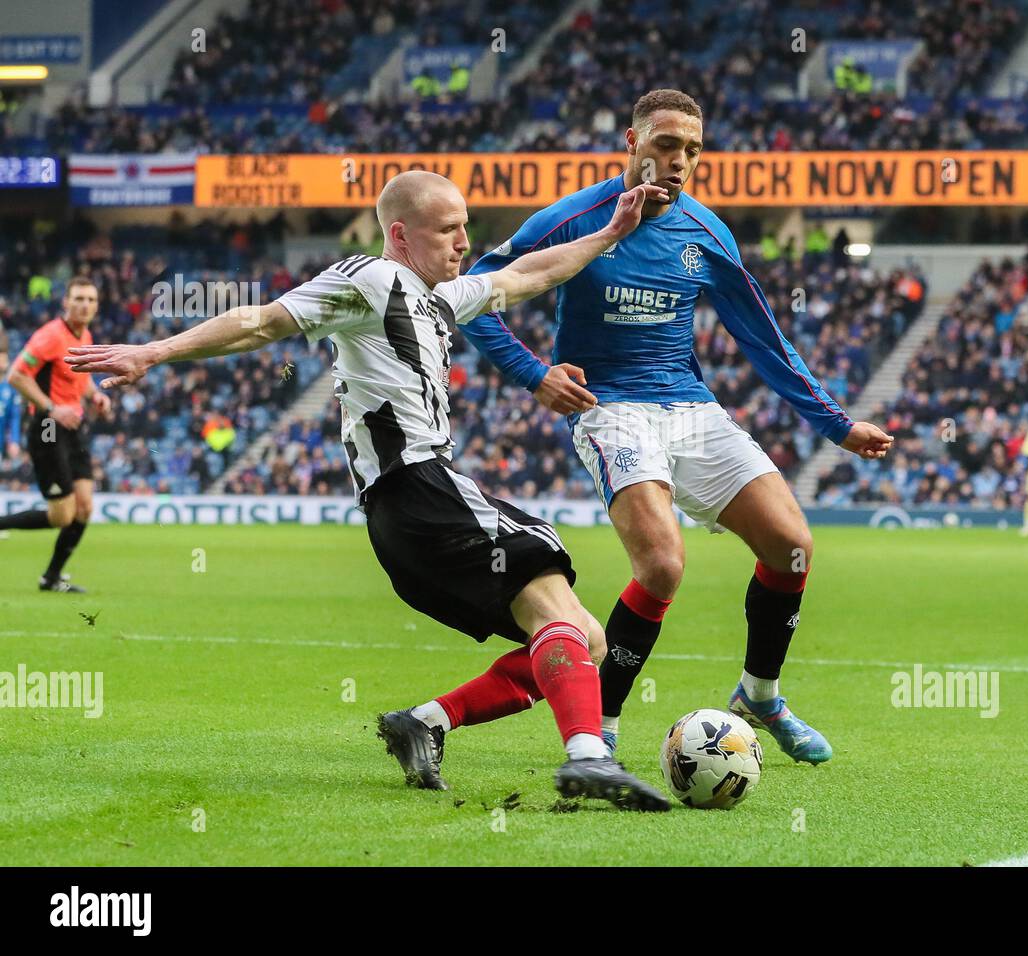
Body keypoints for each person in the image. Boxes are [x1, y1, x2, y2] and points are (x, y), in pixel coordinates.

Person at [67, 171, 672, 811]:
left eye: (466, 227)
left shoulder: (439, 298)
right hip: (419, 489)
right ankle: (587, 758)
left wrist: (608, 234)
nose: (464, 241)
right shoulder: (370, 279)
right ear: (401, 235)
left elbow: (527, 275)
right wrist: (155, 352)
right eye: (448, 229)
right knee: (555, 605)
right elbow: (259, 322)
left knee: (586, 638)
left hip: (412, 510)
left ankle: (426, 722)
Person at [462, 89, 894, 763]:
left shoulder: (707, 232)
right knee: (662, 565)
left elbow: (762, 337)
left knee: (791, 545)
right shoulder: (576, 218)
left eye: (692, 149)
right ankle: (600, 726)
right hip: (611, 407)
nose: (680, 160)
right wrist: (532, 373)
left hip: (689, 405)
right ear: (632, 145)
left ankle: (759, 693)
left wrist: (836, 426)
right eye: (666, 145)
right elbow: (477, 291)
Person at [0, 277, 112, 591]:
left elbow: (79, 379)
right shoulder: (49, 336)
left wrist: (95, 396)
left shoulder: (85, 335)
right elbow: (16, 375)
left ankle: (51, 578)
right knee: (62, 515)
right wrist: (52, 408)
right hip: (48, 427)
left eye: (90, 299)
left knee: (85, 507)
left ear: (97, 305)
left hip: (73, 428)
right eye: (78, 298)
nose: (85, 305)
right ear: (66, 302)